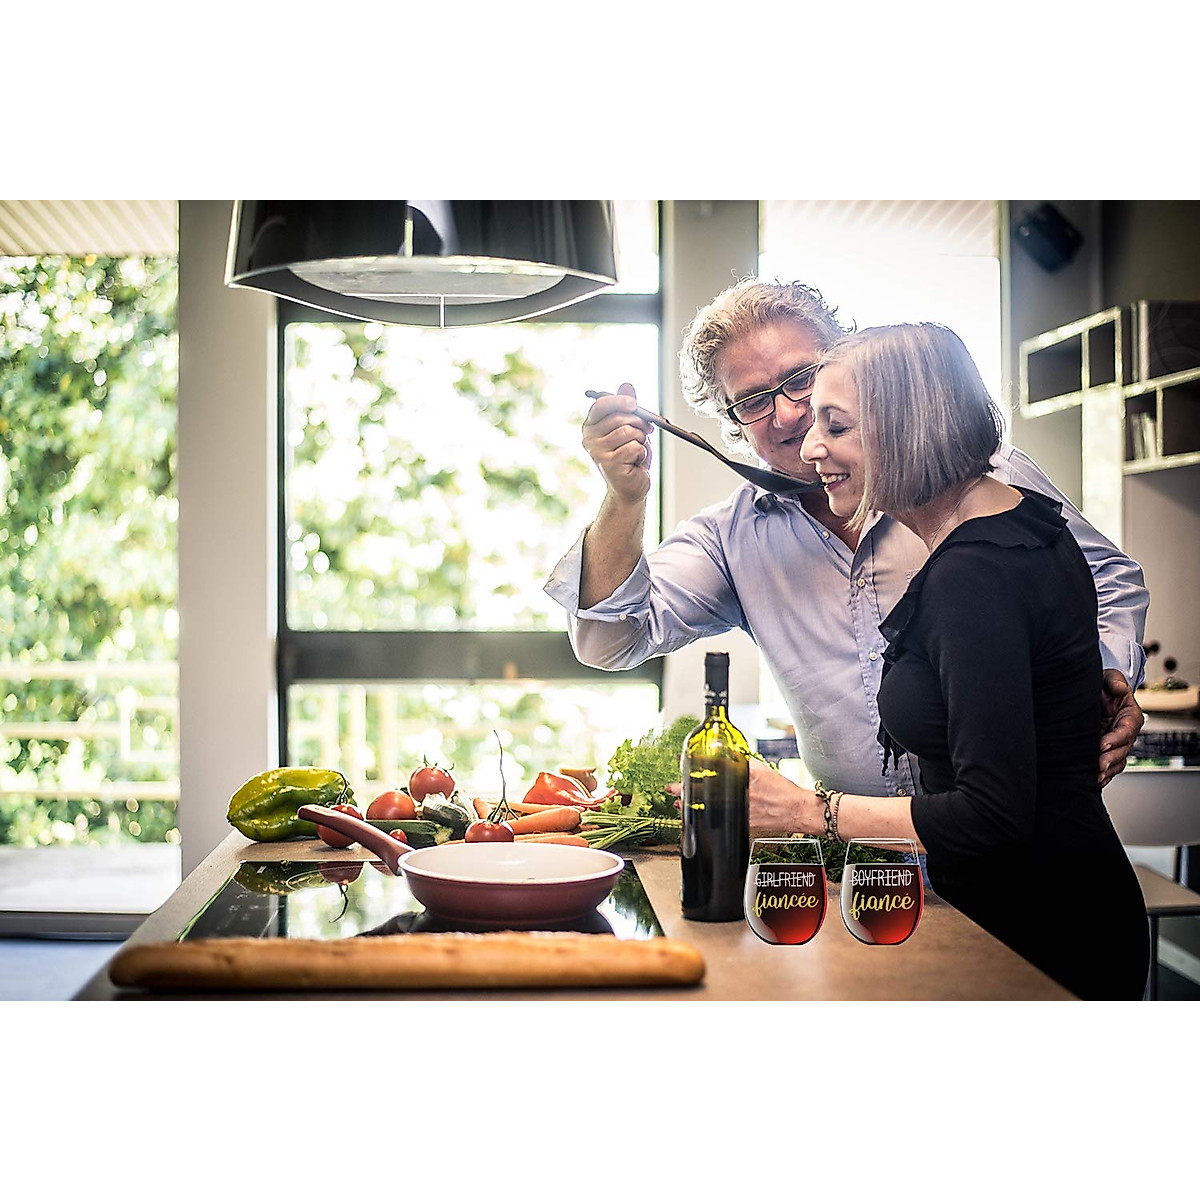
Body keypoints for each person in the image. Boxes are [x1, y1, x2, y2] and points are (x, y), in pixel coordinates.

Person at [544, 278, 1148, 805]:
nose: (787, 415)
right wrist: (625, 500)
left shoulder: (979, 478)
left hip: (1011, 844)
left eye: (801, 379)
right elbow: (608, 639)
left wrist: (1097, 677)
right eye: (753, 401)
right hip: (861, 863)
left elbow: (1108, 579)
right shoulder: (729, 539)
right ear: (731, 423)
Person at [772, 322, 1148, 999]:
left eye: (837, 426)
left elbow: (992, 814)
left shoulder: (970, 574)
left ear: (905, 427)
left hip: (1036, 936)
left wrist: (807, 812)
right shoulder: (1029, 522)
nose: (810, 448)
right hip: (1063, 906)